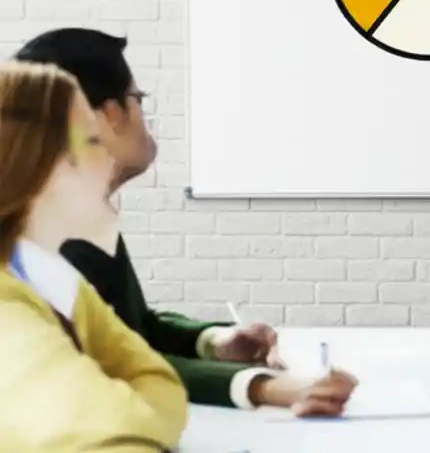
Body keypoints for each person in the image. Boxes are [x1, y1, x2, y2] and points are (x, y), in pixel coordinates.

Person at [15, 28, 356, 416]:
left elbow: (131, 326)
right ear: (109, 114)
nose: (144, 114)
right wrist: (266, 386)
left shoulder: (69, 208)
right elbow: (105, 361)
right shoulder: (49, 230)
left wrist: (214, 341)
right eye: (137, 99)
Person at [0, 61, 188, 451]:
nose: (109, 159)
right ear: (38, 163)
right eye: (92, 142)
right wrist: (141, 417)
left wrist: (140, 416)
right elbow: (114, 435)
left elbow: (159, 380)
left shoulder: (55, 279)